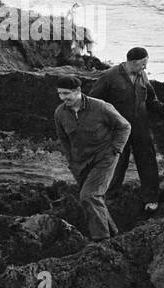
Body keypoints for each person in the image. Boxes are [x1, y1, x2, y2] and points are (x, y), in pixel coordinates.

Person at [88, 45, 164, 212]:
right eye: (143, 63)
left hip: (140, 127)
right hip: (117, 130)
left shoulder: (142, 75)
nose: (146, 67)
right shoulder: (109, 76)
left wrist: (161, 109)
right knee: (117, 164)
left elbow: (151, 97)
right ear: (133, 62)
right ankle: (110, 197)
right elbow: (93, 102)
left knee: (148, 163)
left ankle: (151, 198)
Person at [52, 75, 130, 241]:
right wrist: (71, 160)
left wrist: (116, 149)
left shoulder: (100, 107)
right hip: (80, 162)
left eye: (67, 93)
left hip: (104, 158)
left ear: (78, 91)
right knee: (93, 198)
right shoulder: (60, 113)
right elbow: (63, 139)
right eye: (60, 94)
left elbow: (124, 126)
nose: (63, 98)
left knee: (89, 195)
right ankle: (114, 234)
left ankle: (101, 239)